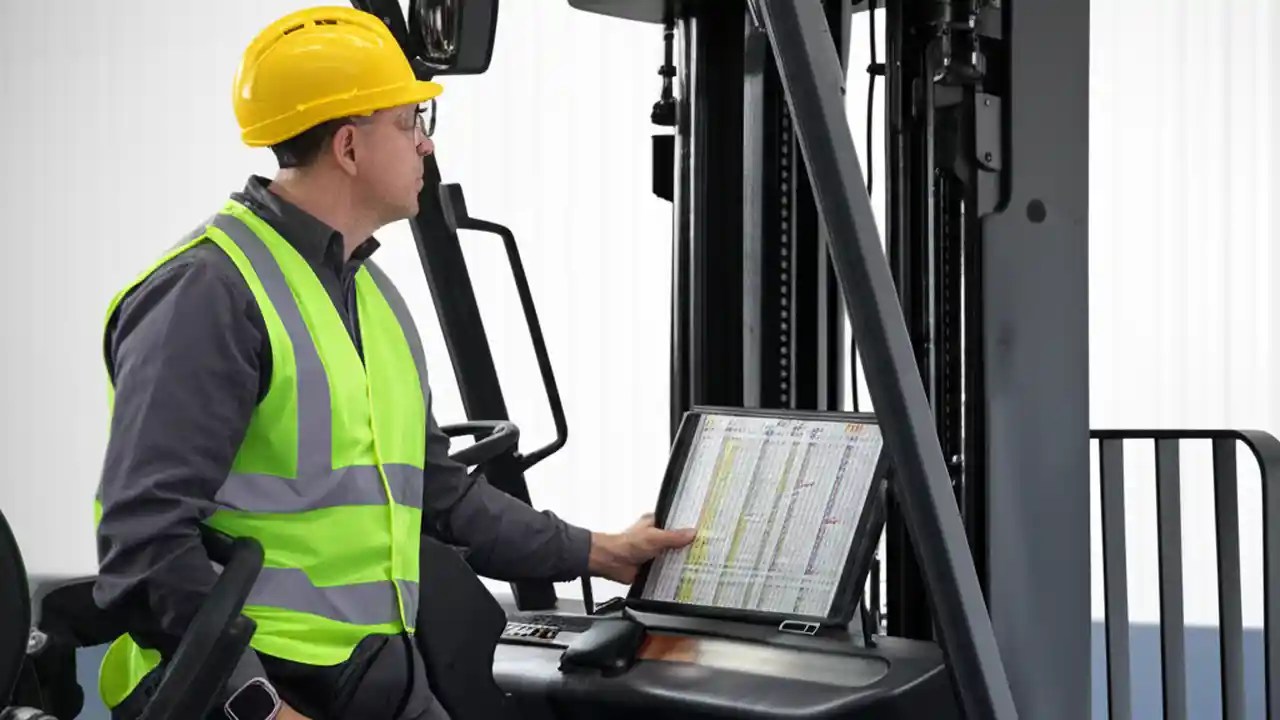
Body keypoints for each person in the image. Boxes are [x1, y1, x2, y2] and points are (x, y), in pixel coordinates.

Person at [90, 7, 695, 720]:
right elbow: (144, 543)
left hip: (374, 676)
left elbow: (441, 494)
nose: (425, 147)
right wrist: (255, 705)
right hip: (255, 686)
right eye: (411, 123)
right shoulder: (211, 295)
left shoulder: (370, 294)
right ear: (349, 146)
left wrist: (601, 551)